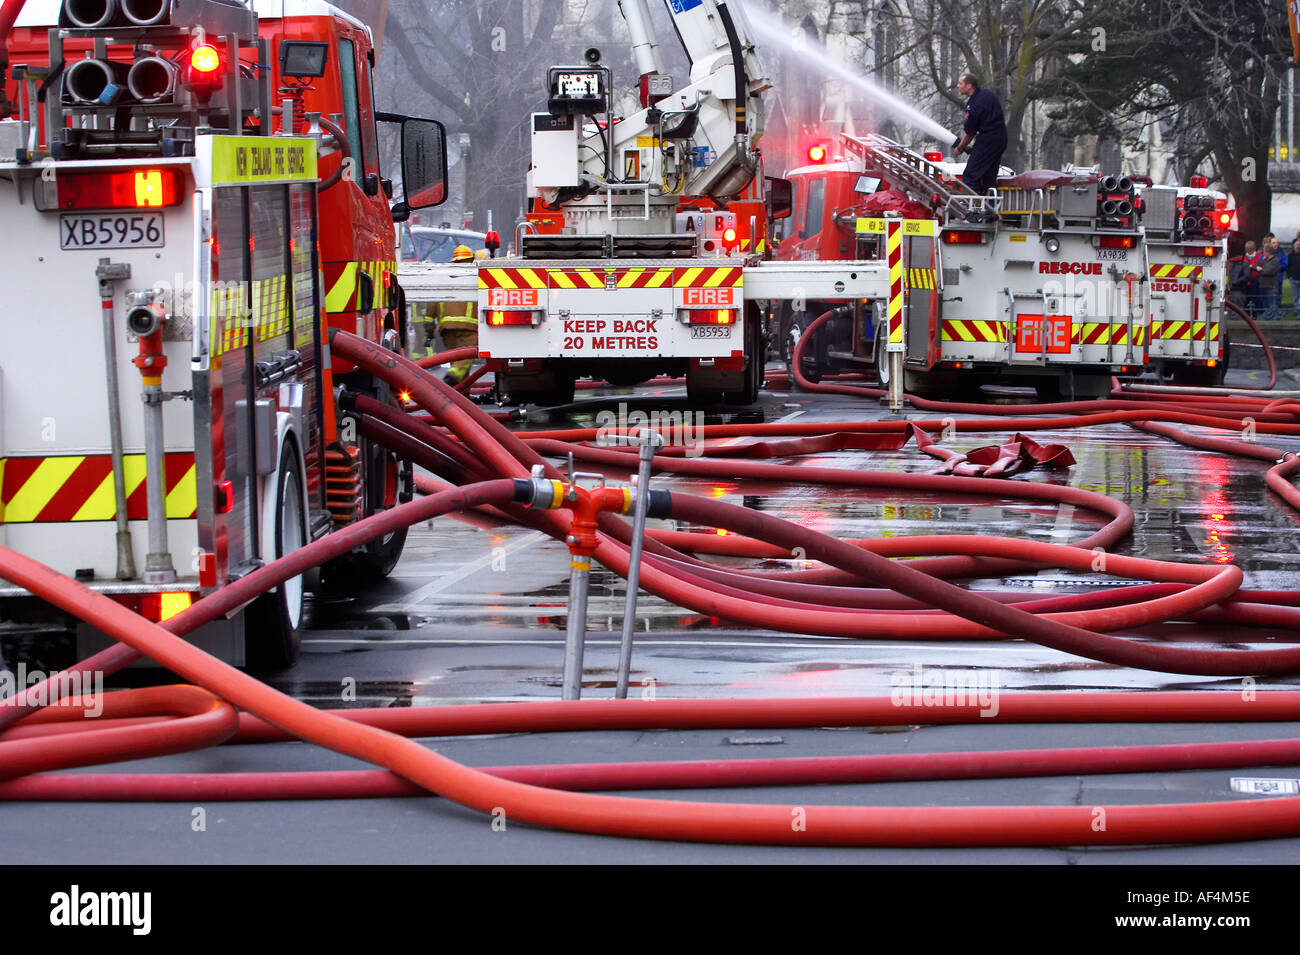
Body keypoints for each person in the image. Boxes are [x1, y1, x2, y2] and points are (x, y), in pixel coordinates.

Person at [428, 244, 479, 383]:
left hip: (447, 329)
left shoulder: (445, 280)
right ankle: (451, 379)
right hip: (470, 329)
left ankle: (461, 394)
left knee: (456, 358)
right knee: (463, 361)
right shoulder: (476, 279)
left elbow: (431, 306)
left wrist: (429, 331)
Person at [953, 73, 1007, 197]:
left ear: (969, 86)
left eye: (961, 83)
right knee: (989, 178)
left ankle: (974, 212)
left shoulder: (974, 104)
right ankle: (990, 209)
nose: (958, 86)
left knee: (970, 176)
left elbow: (970, 133)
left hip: (988, 140)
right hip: (1001, 139)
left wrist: (960, 148)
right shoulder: (987, 94)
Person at [1254, 236, 1281, 320]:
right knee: (1265, 303)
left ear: (1268, 252)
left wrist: (1260, 269)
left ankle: (1273, 318)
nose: (1263, 253)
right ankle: (1268, 317)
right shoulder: (1265, 260)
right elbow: (1256, 265)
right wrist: (1259, 268)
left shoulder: (1275, 261)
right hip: (1264, 285)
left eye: (1264, 251)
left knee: (1272, 303)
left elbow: (1268, 272)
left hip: (1271, 286)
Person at [1288, 238, 1300, 319]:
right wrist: (1289, 276)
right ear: (1294, 246)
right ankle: (1297, 312)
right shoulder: (1290, 255)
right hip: (1293, 279)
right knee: (1295, 296)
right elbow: (1288, 266)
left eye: (1299, 245)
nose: (1298, 246)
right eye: (1296, 245)